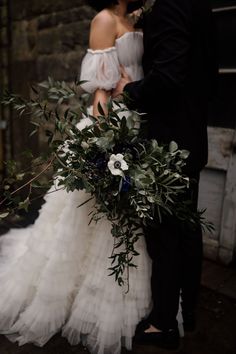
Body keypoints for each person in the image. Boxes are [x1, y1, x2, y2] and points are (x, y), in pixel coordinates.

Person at [0, 1, 154, 354]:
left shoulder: (135, 17)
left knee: (130, 218)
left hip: (140, 120)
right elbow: (100, 90)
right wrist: (103, 144)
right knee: (95, 214)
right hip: (111, 123)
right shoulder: (103, 20)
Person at [113, 0, 218, 349]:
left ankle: (163, 324)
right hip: (191, 135)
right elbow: (207, 71)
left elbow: (169, 78)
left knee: (165, 237)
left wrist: (128, 92)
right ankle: (187, 316)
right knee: (186, 232)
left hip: (168, 143)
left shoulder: (171, 5)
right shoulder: (200, 6)